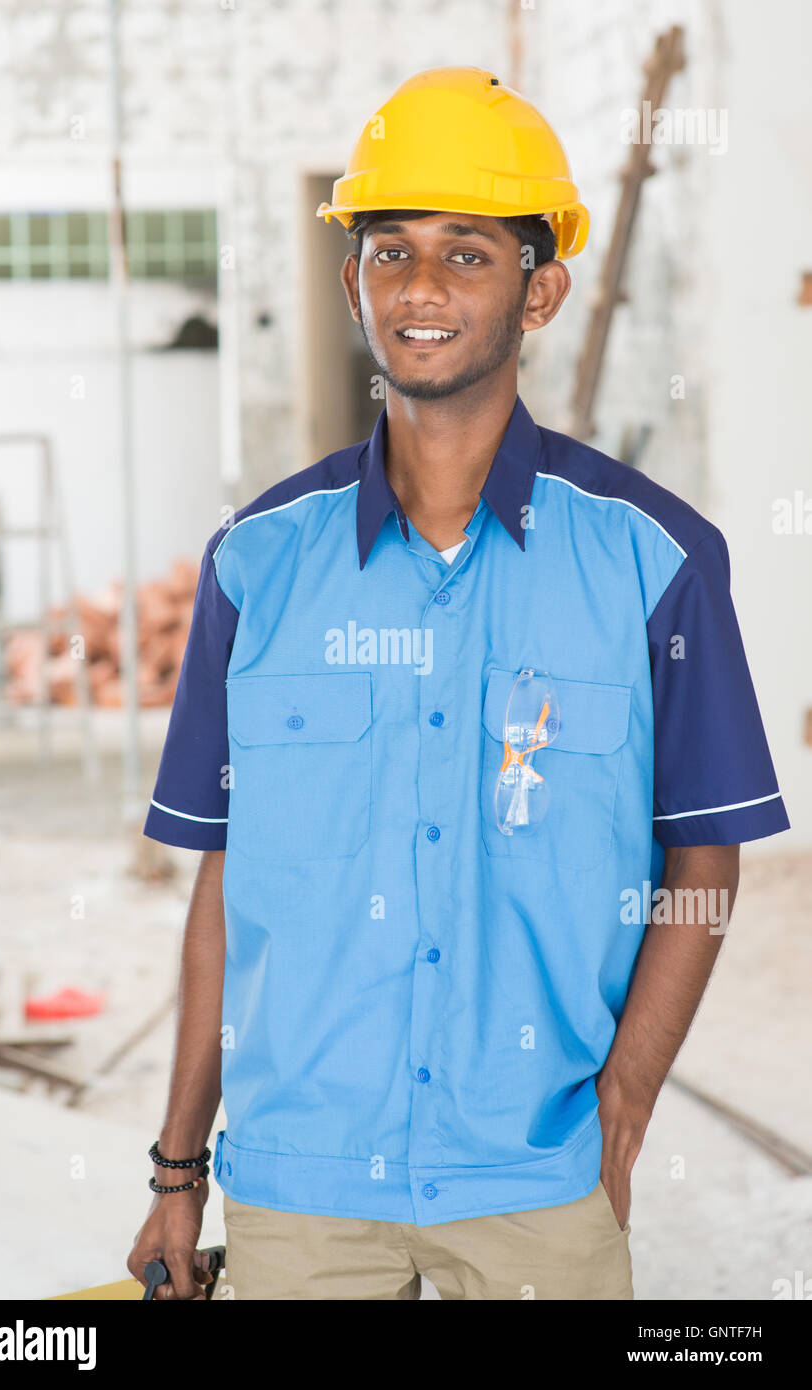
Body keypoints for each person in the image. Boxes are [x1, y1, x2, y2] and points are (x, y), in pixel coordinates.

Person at [127, 66, 789, 1300]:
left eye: (469, 254)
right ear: (352, 279)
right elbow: (229, 874)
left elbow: (704, 858)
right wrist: (177, 1171)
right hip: (299, 1185)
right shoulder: (258, 564)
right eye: (391, 251)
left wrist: (624, 1112)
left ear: (541, 287)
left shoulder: (657, 561)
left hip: (539, 1183)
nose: (421, 289)